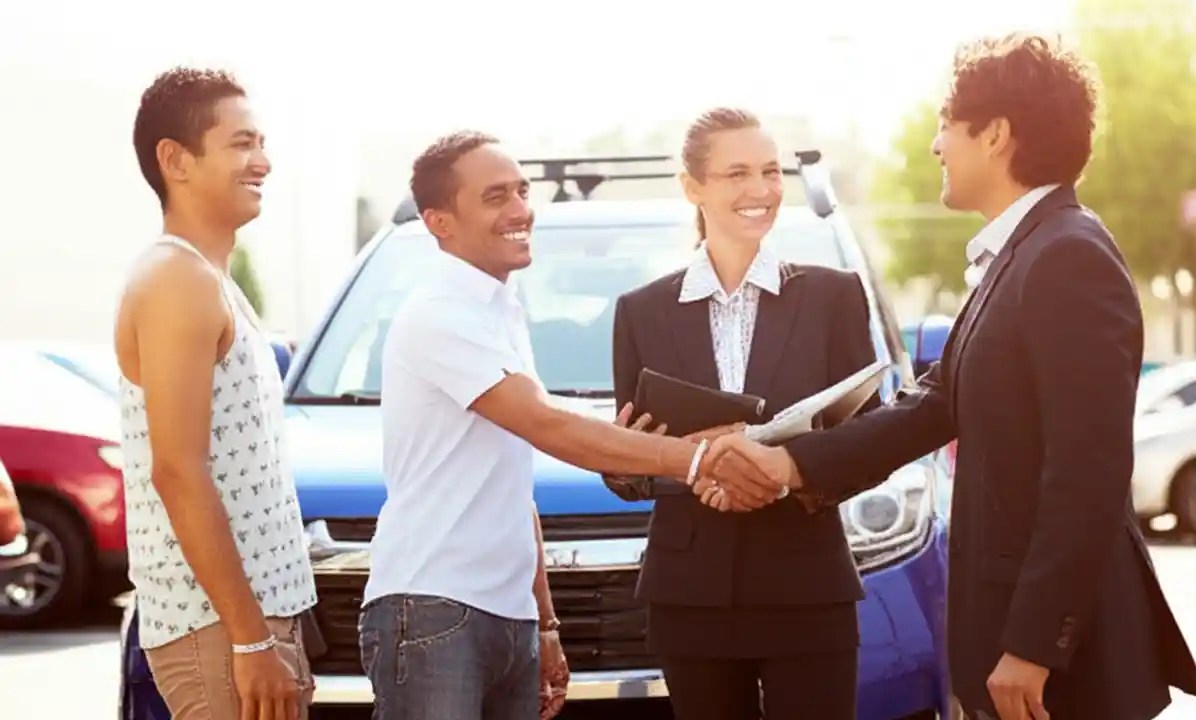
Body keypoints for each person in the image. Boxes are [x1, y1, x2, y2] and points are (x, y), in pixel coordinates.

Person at [698, 34, 1196, 720]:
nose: (938, 145)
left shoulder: (1067, 258)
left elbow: (1087, 473)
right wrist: (786, 461)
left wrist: (1034, 645)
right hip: (1012, 646)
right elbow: (933, 406)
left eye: (947, 126)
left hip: (1059, 664)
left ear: (995, 135)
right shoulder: (1020, 256)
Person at [359, 131, 745, 720]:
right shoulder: (439, 313)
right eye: (495, 197)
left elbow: (513, 486)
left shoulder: (500, 310)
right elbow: (547, 425)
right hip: (433, 608)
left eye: (521, 190)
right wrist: (690, 459)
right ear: (439, 222)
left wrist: (543, 623)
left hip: (503, 613)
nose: (520, 210)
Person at [600, 108, 888, 720]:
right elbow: (626, 464)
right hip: (690, 595)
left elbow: (872, 440)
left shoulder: (833, 296)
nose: (759, 190)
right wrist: (665, 465)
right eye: (736, 174)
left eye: (768, 171)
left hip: (806, 586)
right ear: (692, 187)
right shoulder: (641, 311)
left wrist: (782, 471)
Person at [115, 67, 317, 720]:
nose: (262, 161)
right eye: (240, 143)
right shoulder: (177, 278)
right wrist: (251, 634)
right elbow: (178, 471)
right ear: (174, 159)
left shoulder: (208, 279)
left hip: (246, 627)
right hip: (219, 633)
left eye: (260, 142)